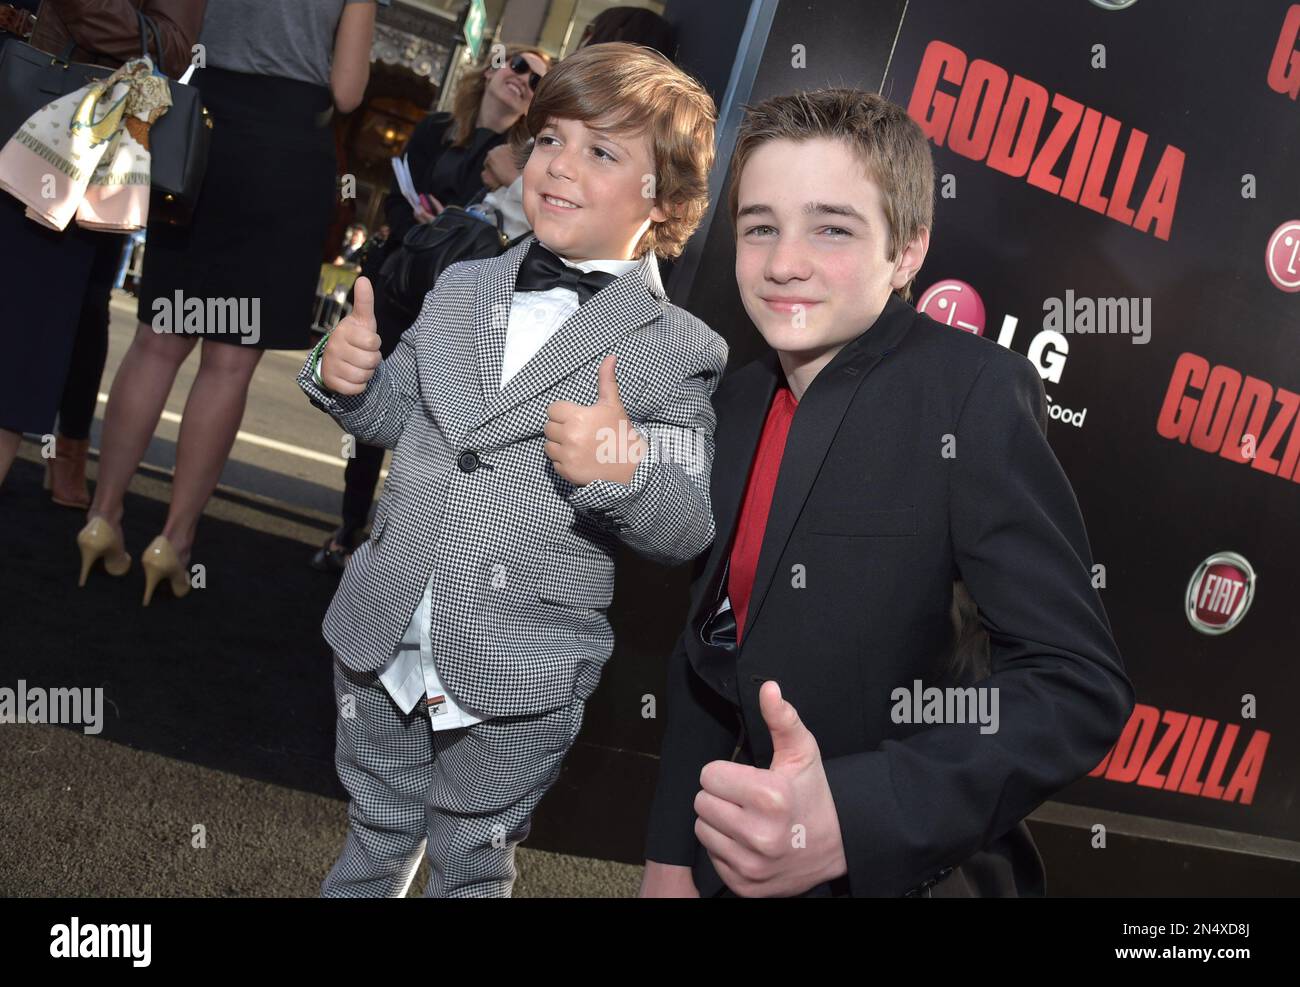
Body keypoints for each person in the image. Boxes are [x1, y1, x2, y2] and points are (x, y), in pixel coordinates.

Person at [638, 88, 1136, 898]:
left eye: (830, 227)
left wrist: (856, 814)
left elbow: (1076, 684)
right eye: (760, 225)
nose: (782, 261)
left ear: (907, 251)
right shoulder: (731, 400)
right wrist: (667, 857)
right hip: (732, 859)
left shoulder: (969, 392)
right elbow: (708, 652)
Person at [297, 42, 723, 897]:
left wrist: (618, 469)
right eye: (549, 140)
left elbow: (686, 523)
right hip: (384, 629)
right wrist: (347, 379)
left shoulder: (678, 349)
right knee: (373, 834)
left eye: (601, 152)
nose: (560, 167)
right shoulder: (466, 283)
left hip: (518, 667)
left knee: (468, 868)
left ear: (665, 198)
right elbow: (402, 415)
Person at [74, 0, 380, 604]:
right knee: (230, 362)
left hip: (198, 133)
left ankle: (102, 515)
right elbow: (347, 91)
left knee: (158, 342)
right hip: (287, 149)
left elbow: (176, 36)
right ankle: (176, 540)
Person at [310, 42, 551, 572]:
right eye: (517, 66)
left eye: (536, 82)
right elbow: (396, 197)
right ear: (492, 69)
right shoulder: (436, 128)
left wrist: (458, 216)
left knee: (431, 422)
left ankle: (399, 550)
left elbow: (507, 225)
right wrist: (416, 218)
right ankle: (351, 529)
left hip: (455, 297)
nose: (522, 81)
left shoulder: (522, 156)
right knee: (367, 408)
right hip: (398, 280)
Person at [0, 0, 206, 500]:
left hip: (57, 151)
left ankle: (71, 450)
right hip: (26, 109)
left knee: (8, 374)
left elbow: (173, 46)